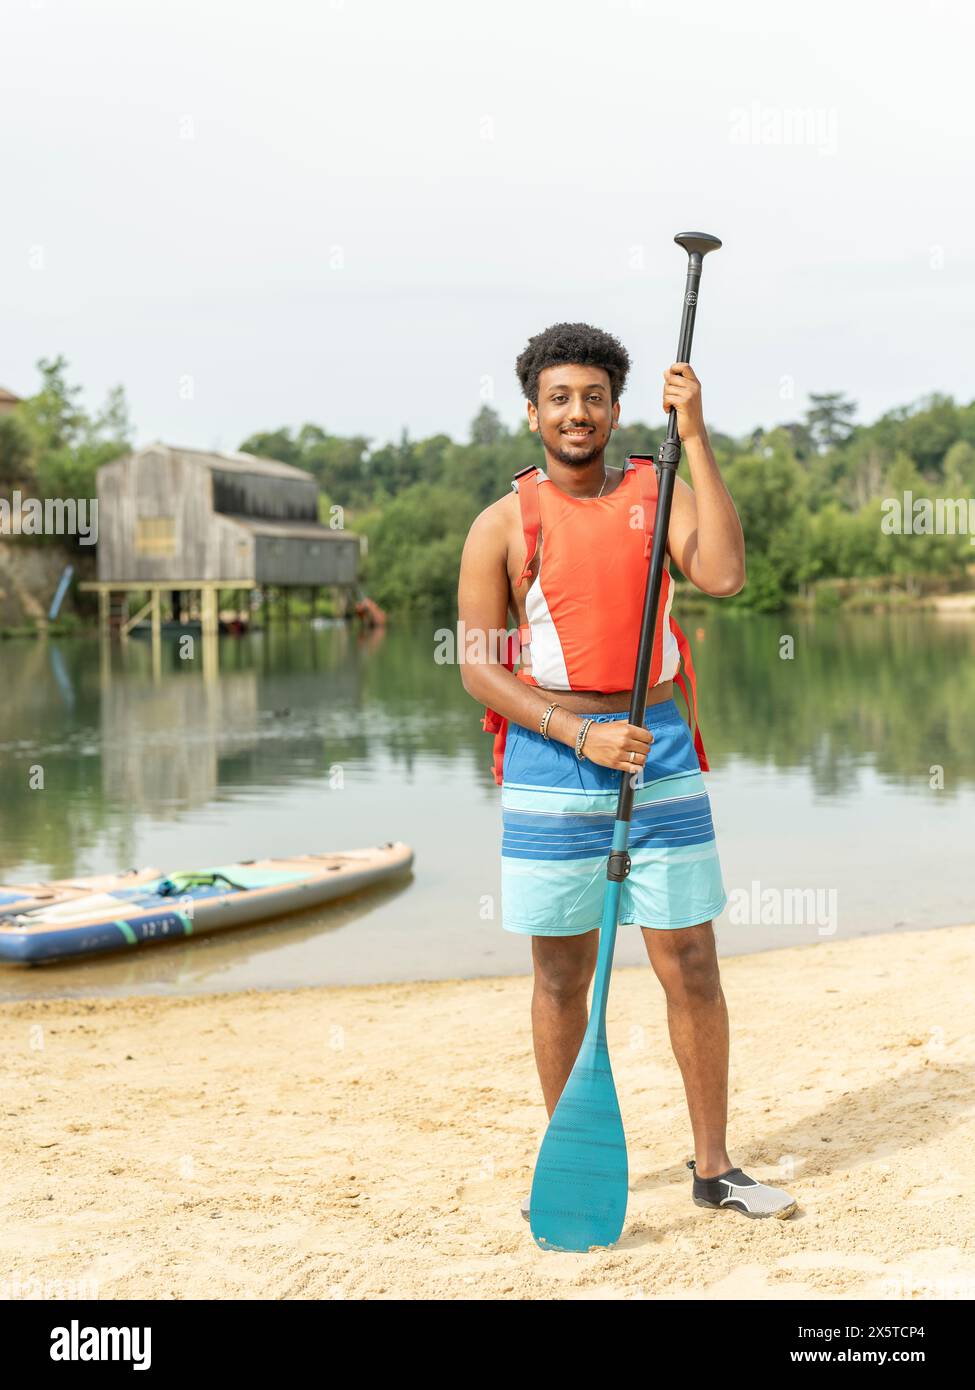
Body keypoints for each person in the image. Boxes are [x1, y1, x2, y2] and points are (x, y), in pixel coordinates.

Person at [457, 322, 798, 1222]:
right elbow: (478, 668)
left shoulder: (659, 485)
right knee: (562, 974)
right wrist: (577, 733)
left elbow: (722, 573)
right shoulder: (501, 523)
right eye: (560, 398)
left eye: (594, 397)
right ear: (532, 410)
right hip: (550, 757)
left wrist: (694, 435)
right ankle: (570, 1165)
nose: (578, 413)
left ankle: (714, 1168)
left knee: (688, 958)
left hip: (659, 742)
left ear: (616, 406)